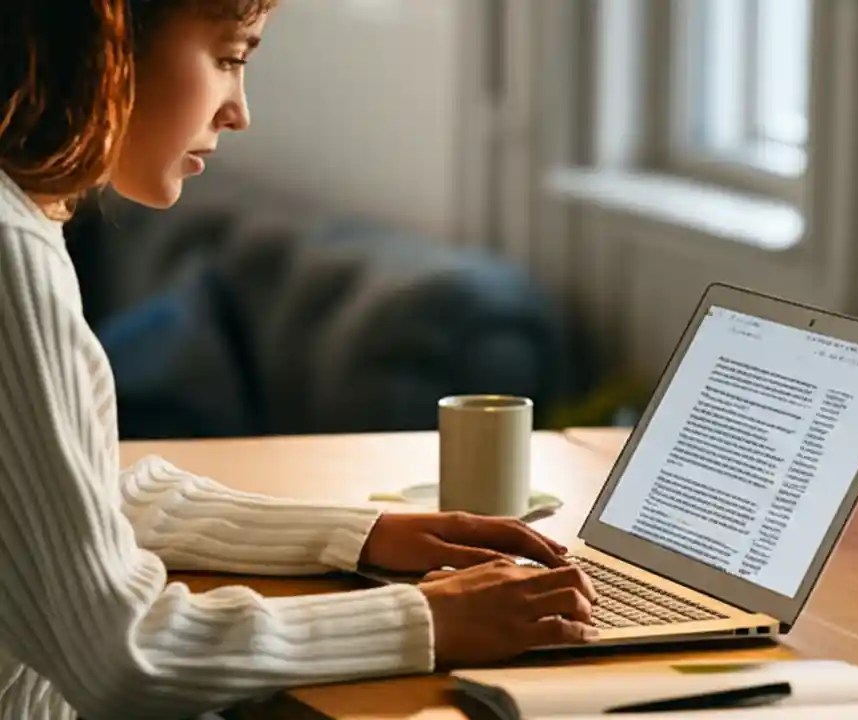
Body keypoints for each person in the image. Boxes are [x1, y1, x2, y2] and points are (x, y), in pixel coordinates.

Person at [0, 1, 599, 717]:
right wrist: (428, 621)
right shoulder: (14, 257)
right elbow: (126, 654)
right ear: (111, 43)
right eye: (231, 57)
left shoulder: (24, 220)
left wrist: (357, 534)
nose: (239, 111)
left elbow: (72, 502)